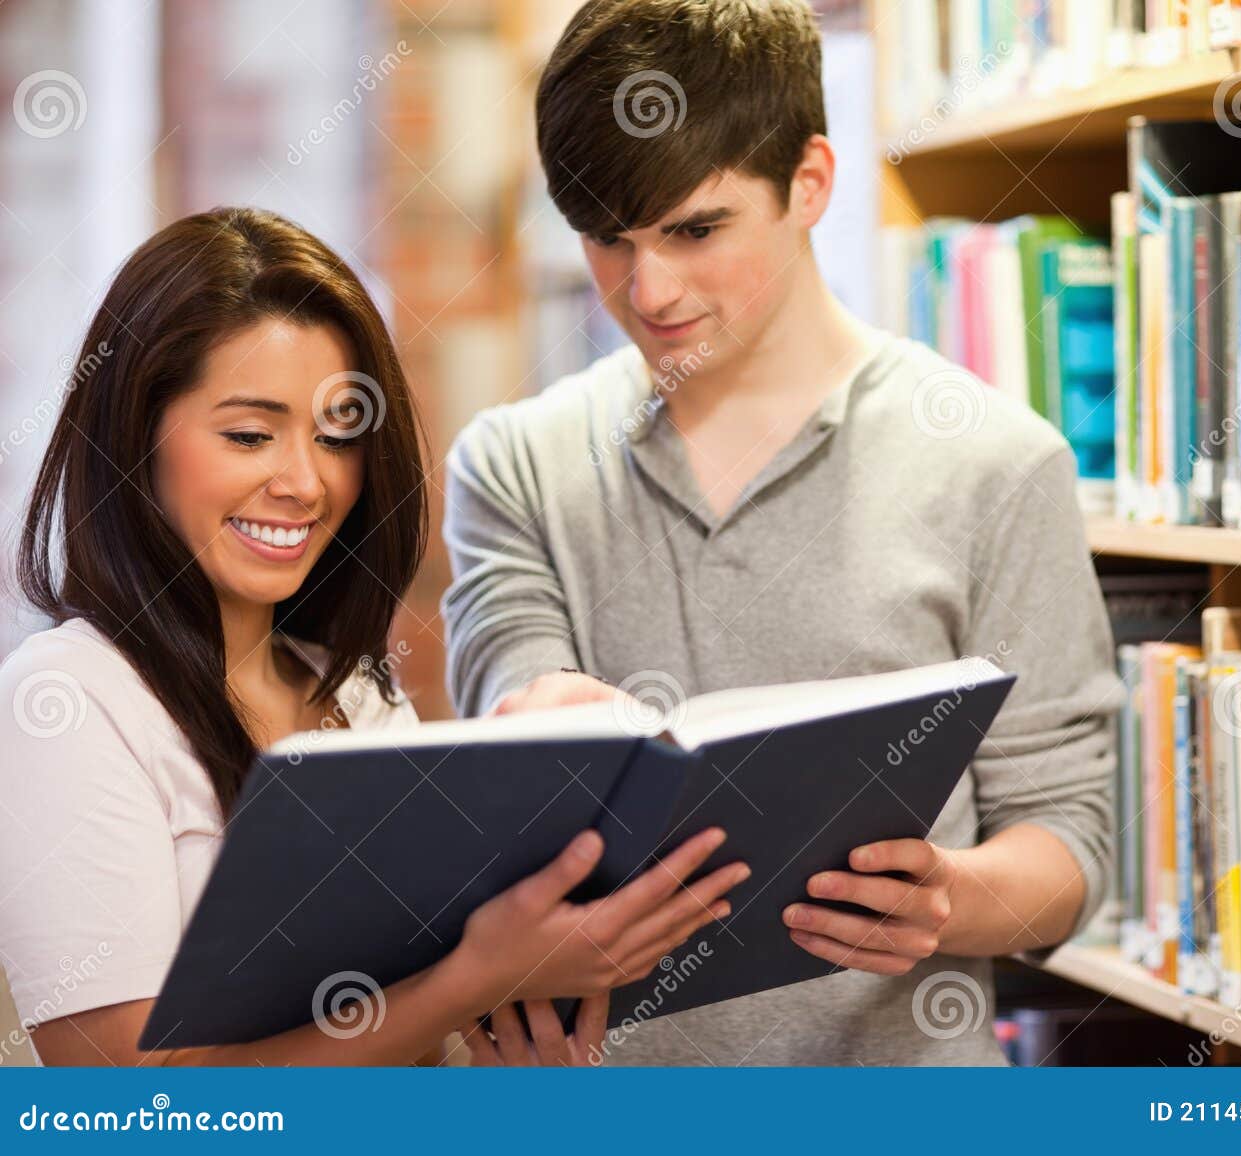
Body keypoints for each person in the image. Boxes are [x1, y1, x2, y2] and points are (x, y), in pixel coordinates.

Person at [441, 0, 1124, 1066]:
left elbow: (1069, 841)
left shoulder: (996, 461)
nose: (648, 288)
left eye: (695, 229)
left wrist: (953, 898)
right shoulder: (513, 462)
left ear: (810, 179)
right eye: (608, 239)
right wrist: (536, 711)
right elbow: (511, 705)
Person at [0, 207, 745, 1067]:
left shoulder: (355, 693)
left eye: (337, 434)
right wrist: (474, 978)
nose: (305, 482)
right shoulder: (66, 701)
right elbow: (131, 1109)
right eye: (249, 435)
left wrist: (514, 1046)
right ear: (136, 440)